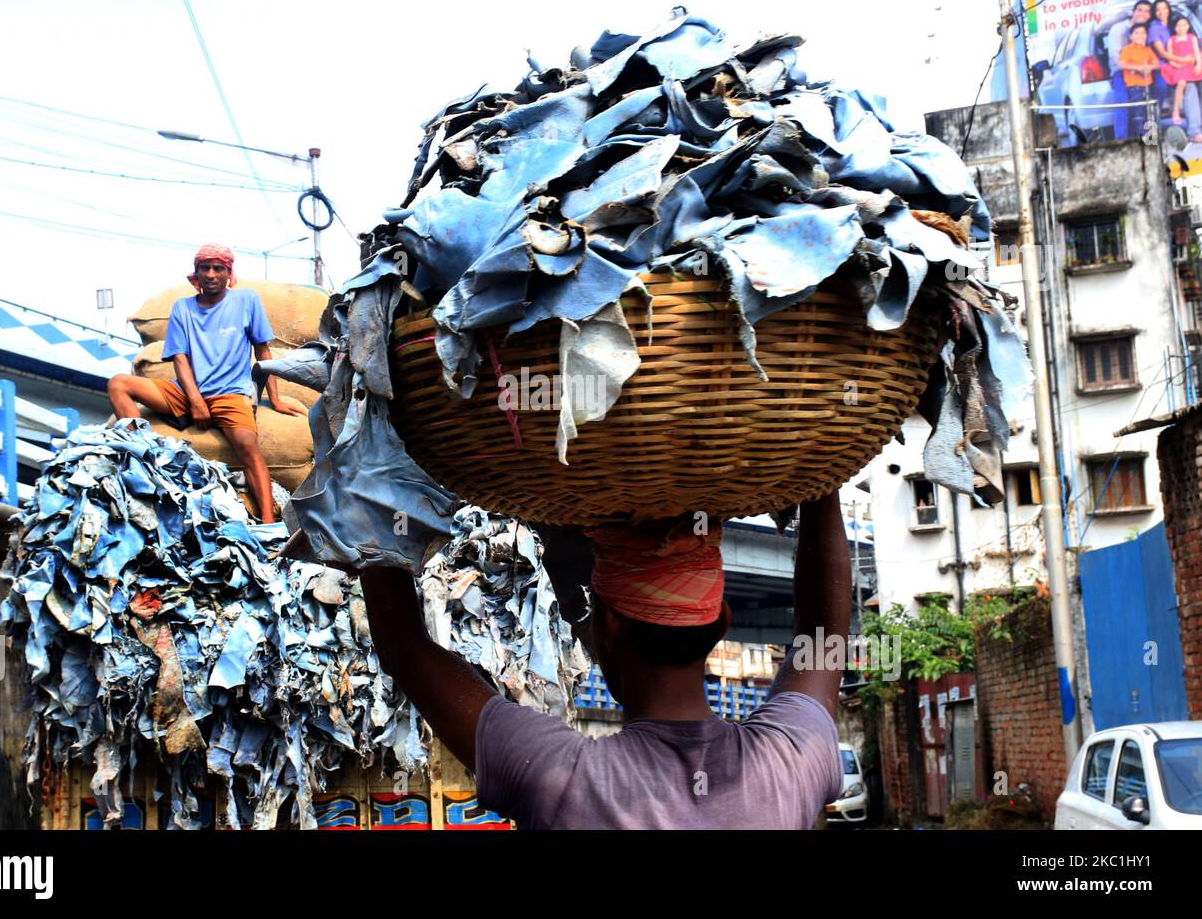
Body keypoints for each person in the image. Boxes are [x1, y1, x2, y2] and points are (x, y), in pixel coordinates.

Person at [346, 492, 850, 830]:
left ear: (607, 629)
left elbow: (405, 649)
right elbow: (822, 634)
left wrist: (372, 485)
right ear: (721, 625)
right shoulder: (791, 762)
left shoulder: (561, 778)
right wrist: (823, 483)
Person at [107, 243, 306, 523]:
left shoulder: (246, 301)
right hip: (185, 392)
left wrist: (275, 399)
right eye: (205, 268)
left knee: (249, 448)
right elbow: (180, 358)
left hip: (230, 395)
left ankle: (268, 522)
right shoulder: (183, 308)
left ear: (228, 273)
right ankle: (142, 461)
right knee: (118, 384)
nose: (211, 274)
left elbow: (263, 352)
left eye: (218, 268)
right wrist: (197, 401)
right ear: (196, 274)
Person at [1108, 0, 1154, 139]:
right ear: (1133, 12)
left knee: (1160, 86)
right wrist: (1137, 68)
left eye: (1147, 11)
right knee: (1122, 102)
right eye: (1140, 10)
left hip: (1143, 73)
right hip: (1120, 72)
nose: (1143, 14)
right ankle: (1121, 140)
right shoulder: (1118, 29)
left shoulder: (1147, 30)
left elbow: (1152, 56)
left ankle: (1151, 132)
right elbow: (1115, 59)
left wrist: (1148, 68)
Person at [1119, 21, 1161, 138]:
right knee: (1138, 115)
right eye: (1136, 33)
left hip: (1148, 86)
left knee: (1150, 113)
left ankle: (1152, 141)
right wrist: (1139, 68)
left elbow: (1157, 64)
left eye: (1143, 33)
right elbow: (1121, 64)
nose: (1140, 36)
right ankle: (1141, 140)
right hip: (1135, 87)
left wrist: (1148, 68)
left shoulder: (1147, 50)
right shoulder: (1127, 49)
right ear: (1130, 36)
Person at [1161, 13, 1202, 126]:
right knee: (1182, 82)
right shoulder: (1172, 40)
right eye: (1178, 26)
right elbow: (1170, 56)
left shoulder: (1192, 38)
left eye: (1184, 25)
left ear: (1188, 26)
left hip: (1191, 66)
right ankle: (1176, 111)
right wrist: (1177, 64)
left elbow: (1197, 52)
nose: (1182, 28)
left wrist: (1198, 64)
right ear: (1174, 28)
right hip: (1178, 67)